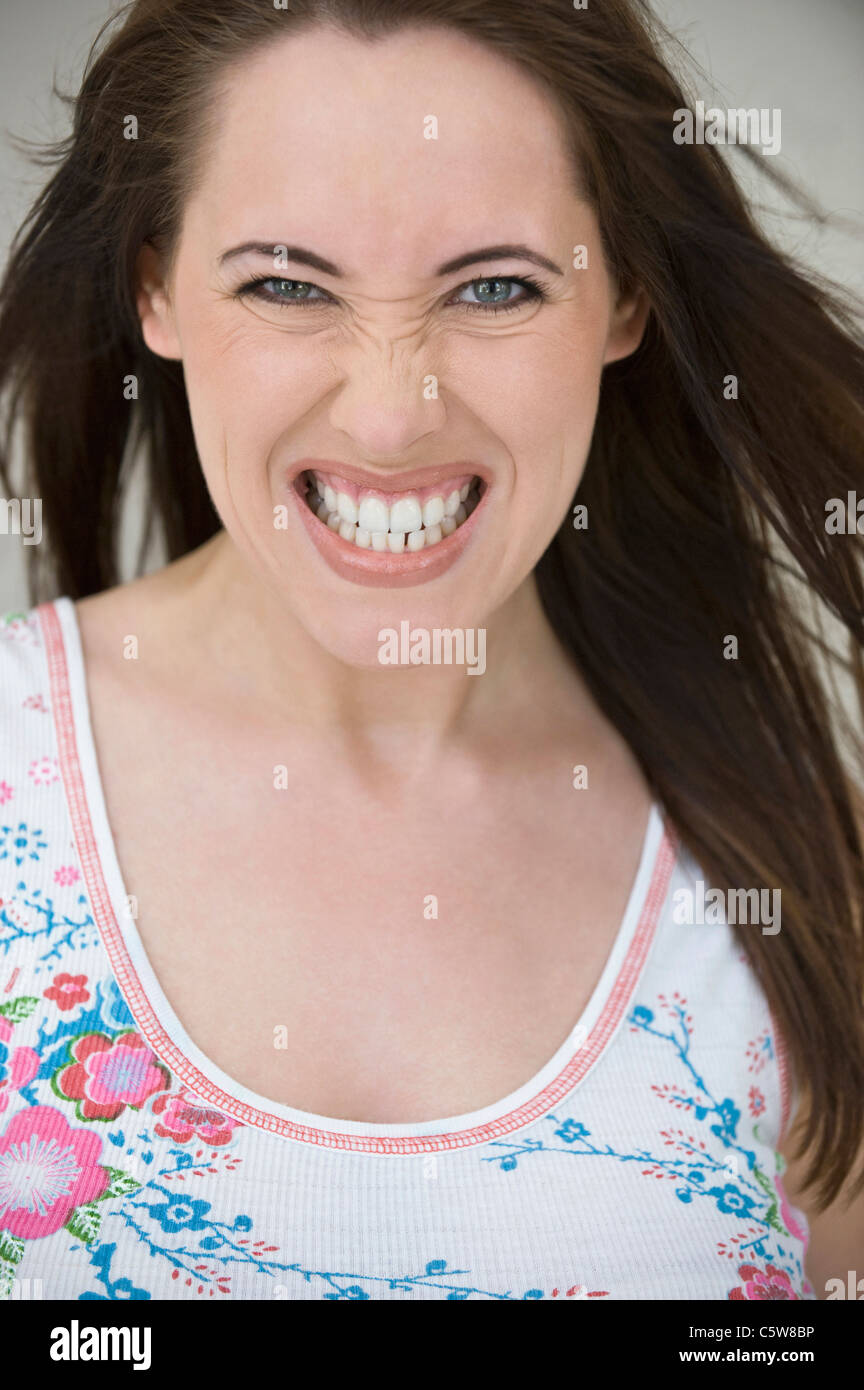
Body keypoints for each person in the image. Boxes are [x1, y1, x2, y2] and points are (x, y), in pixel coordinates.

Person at [0, 0, 861, 1301]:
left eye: (497, 286)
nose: (392, 410)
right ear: (154, 286)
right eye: (286, 283)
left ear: (626, 296)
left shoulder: (790, 861)